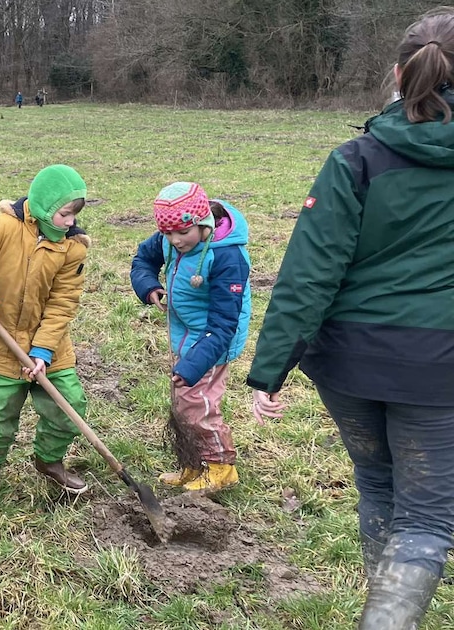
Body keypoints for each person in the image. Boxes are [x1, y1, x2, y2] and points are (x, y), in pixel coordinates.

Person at [247, 8, 454, 628]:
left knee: (377, 485)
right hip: (436, 374)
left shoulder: (356, 158)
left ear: (398, 74)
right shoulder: (357, 158)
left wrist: (270, 370)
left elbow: (309, 272)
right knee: (426, 518)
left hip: (348, 366)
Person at [0, 165, 92, 511]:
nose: (70, 222)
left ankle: (49, 460)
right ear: (42, 206)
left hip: (50, 348)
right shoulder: (3, 228)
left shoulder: (73, 250)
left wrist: (42, 350)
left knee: (68, 405)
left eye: (75, 214)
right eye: (65, 213)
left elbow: (62, 303)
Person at [130, 182, 251, 492]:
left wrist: (194, 364)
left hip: (213, 342)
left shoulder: (227, 257)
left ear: (202, 222)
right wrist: (148, 286)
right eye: (167, 233)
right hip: (185, 335)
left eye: (182, 233)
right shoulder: (171, 237)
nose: (174, 240)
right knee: (183, 404)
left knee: (198, 404)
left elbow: (225, 322)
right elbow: (144, 259)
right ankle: (194, 464)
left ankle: (221, 467)